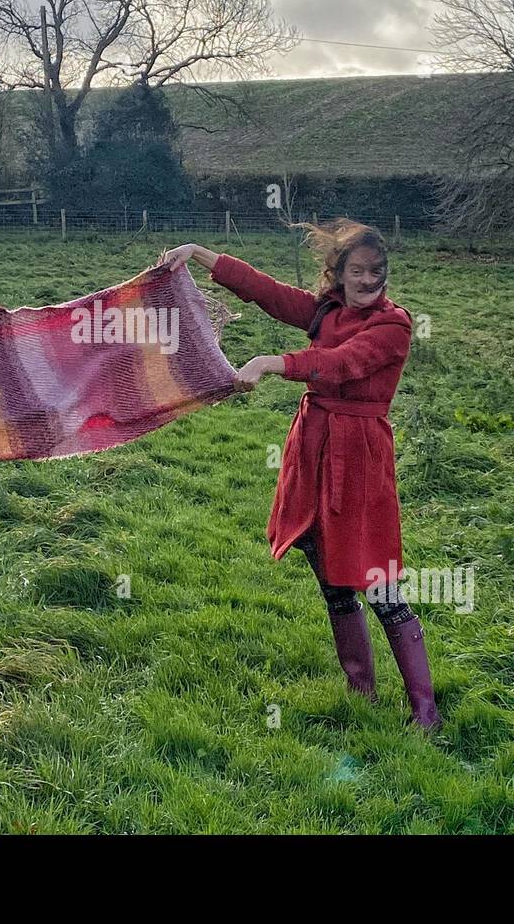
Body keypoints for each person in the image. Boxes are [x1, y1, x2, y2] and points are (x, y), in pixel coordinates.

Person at [157, 220, 443, 731]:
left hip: (358, 461)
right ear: (337, 273)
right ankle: (362, 693)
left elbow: (340, 364)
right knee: (331, 576)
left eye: (378, 271)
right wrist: (200, 253)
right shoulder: (325, 310)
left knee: (378, 582)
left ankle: (425, 709)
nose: (369, 280)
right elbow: (267, 292)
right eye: (358, 271)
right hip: (312, 450)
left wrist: (272, 363)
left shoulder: (393, 325)